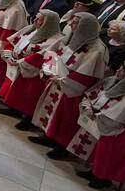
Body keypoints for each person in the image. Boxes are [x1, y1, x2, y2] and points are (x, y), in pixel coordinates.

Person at [66, 62, 125, 190]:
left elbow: (122, 116)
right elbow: (95, 96)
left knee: (110, 153)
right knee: (100, 149)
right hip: (108, 124)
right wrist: (90, 107)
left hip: (123, 133)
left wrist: (98, 115)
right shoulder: (113, 82)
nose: (118, 70)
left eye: (123, 70)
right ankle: (95, 172)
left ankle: (104, 179)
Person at [32, 16, 108, 158]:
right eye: (72, 21)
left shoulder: (96, 49)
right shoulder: (75, 37)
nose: (71, 24)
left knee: (66, 119)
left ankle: (61, 147)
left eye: (76, 22)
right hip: (60, 81)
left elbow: (87, 76)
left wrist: (63, 80)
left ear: (85, 26)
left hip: (74, 90)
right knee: (52, 111)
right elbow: (60, 56)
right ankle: (48, 135)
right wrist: (52, 69)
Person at [0, 9, 62, 126]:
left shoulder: (54, 39)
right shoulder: (30, 30)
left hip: (34, 72)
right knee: (17, 89)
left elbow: (41, 56)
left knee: (30, 94)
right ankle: (14, 108)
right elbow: (12, 43)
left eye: (40, 19)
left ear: (48, 23)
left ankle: (27, 117)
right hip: (19, 65)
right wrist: (9, 55)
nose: (35, 20)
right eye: (36, 17)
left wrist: (20, 61)